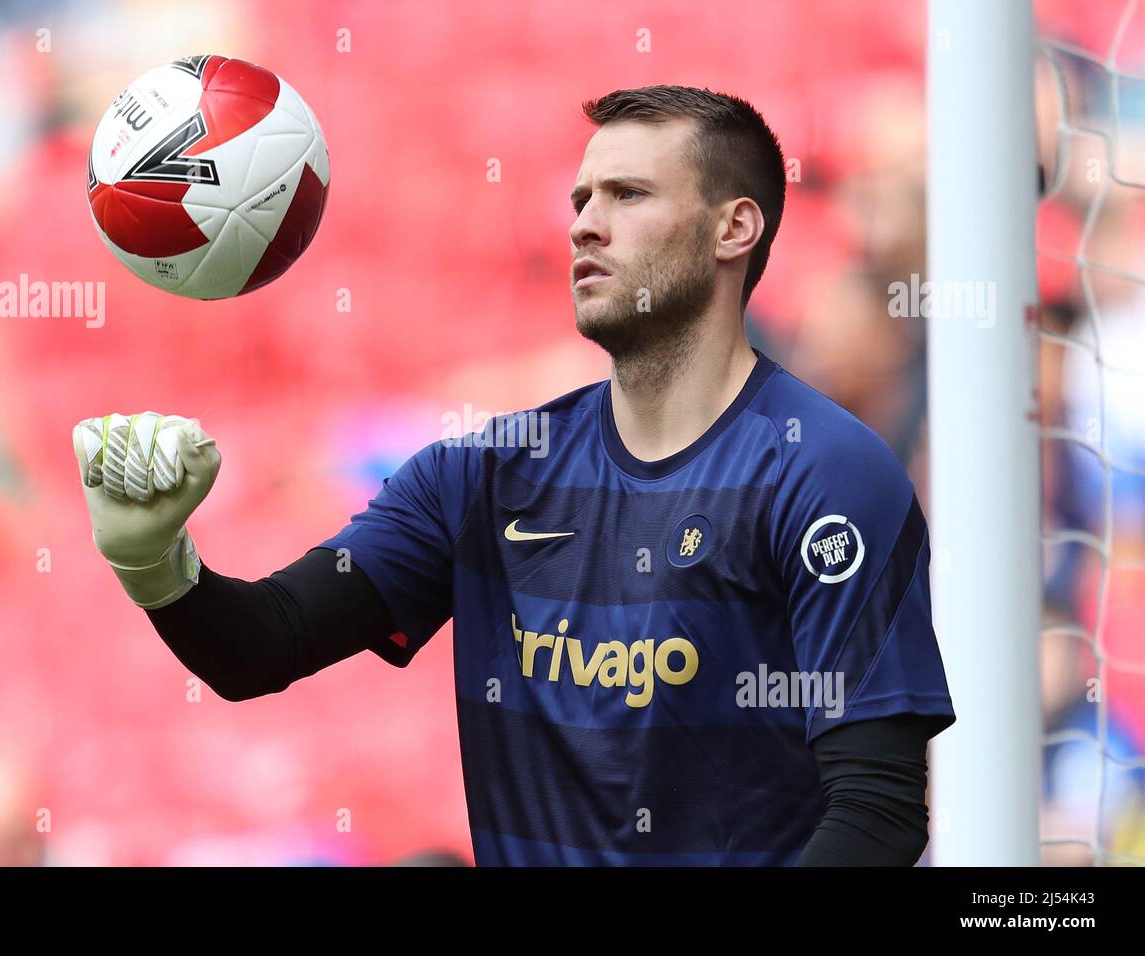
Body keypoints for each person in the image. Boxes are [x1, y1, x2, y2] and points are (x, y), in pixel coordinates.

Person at [73, 86, 955, 866]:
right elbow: (262, 645)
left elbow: (877, 815)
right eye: (580, 198)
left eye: (628, 194)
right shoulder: (482, 476)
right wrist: (155, 562)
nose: (584, 222)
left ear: (734, 228)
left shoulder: (828, 474)